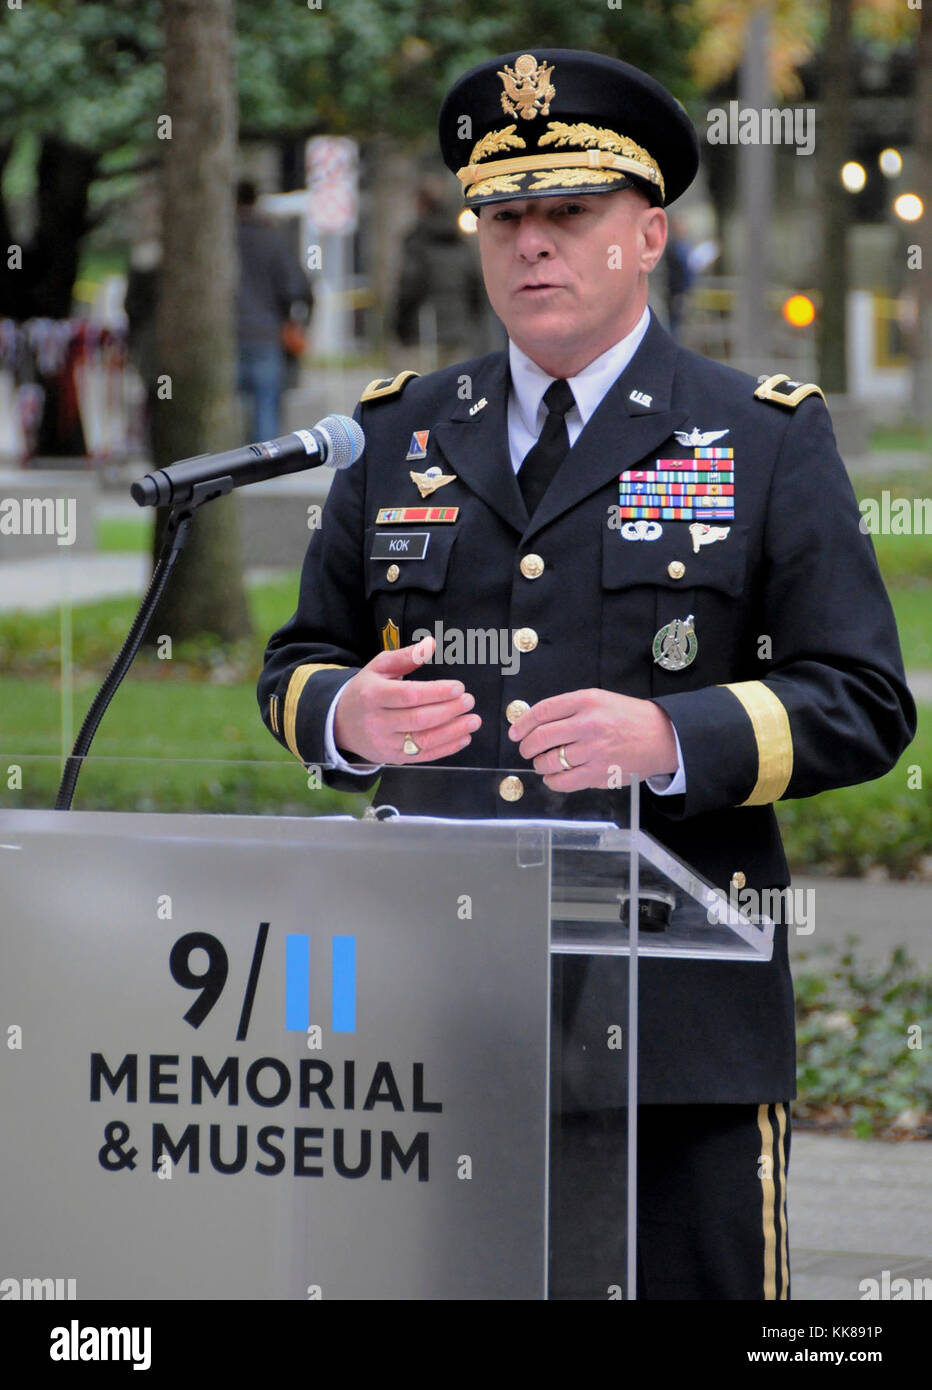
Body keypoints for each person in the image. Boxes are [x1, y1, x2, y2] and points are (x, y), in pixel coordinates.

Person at [257, 50, 915, 1299]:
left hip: (674, 1024)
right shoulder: (396, 433)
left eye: (571, 213)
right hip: (434, 1024)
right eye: (504, 216)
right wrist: (348, 713)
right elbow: (300, 663)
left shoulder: (760, 434)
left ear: (648, 232)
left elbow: (864, 700)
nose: (532, 245)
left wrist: (667, 740)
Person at [235, 179, 312, 442]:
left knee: (229, 409)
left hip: (226, 335)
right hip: (267, 334)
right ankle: (262, 475)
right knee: (266, 410)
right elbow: (298, 288)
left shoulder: (216, 240)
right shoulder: (272, 239)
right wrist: (299, 322)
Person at [392, 179, 485, 367]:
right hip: (460, 329)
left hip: (425, 327)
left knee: (423, 389)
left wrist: (399, 324)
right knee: (457, 389)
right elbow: (475, 283)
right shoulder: (459, 240)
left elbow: (410, 285)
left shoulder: (417, 240)